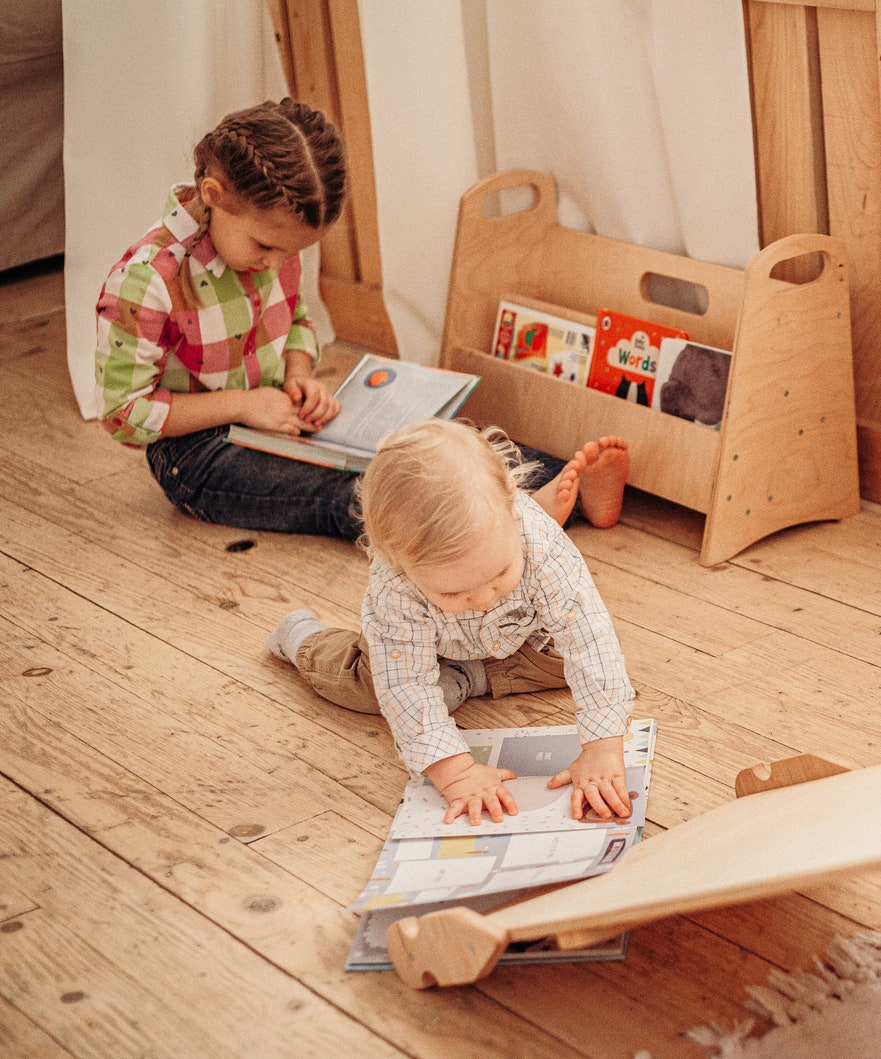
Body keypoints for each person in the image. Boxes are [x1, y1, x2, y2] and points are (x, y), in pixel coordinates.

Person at [91, 96, 593, 537]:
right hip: (197, 455)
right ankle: (516, 522)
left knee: (427, 439)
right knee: (352, 495)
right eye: (266, 247)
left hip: (274, 417)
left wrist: (298, 378)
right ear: (214, 194)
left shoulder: (275, 248)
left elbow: (297, 323)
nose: (275, 264)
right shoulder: (147, 282)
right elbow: (125, 414)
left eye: (291, 254)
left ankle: (558, 478)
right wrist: (243, 405)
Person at [265, 418, 635, 826]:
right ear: (398, 562)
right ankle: (301, 638)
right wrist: (455, 771)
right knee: (369, 688)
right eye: (454, 594)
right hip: (423, 645)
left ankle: (467, 678)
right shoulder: (395, 586)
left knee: (572, 659)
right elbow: (404, 686)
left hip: (516, 634)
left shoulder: (540, 544)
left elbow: (589, 637)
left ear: (512, 506)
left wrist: (602, 748)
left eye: (499, 574)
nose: (480, 600)